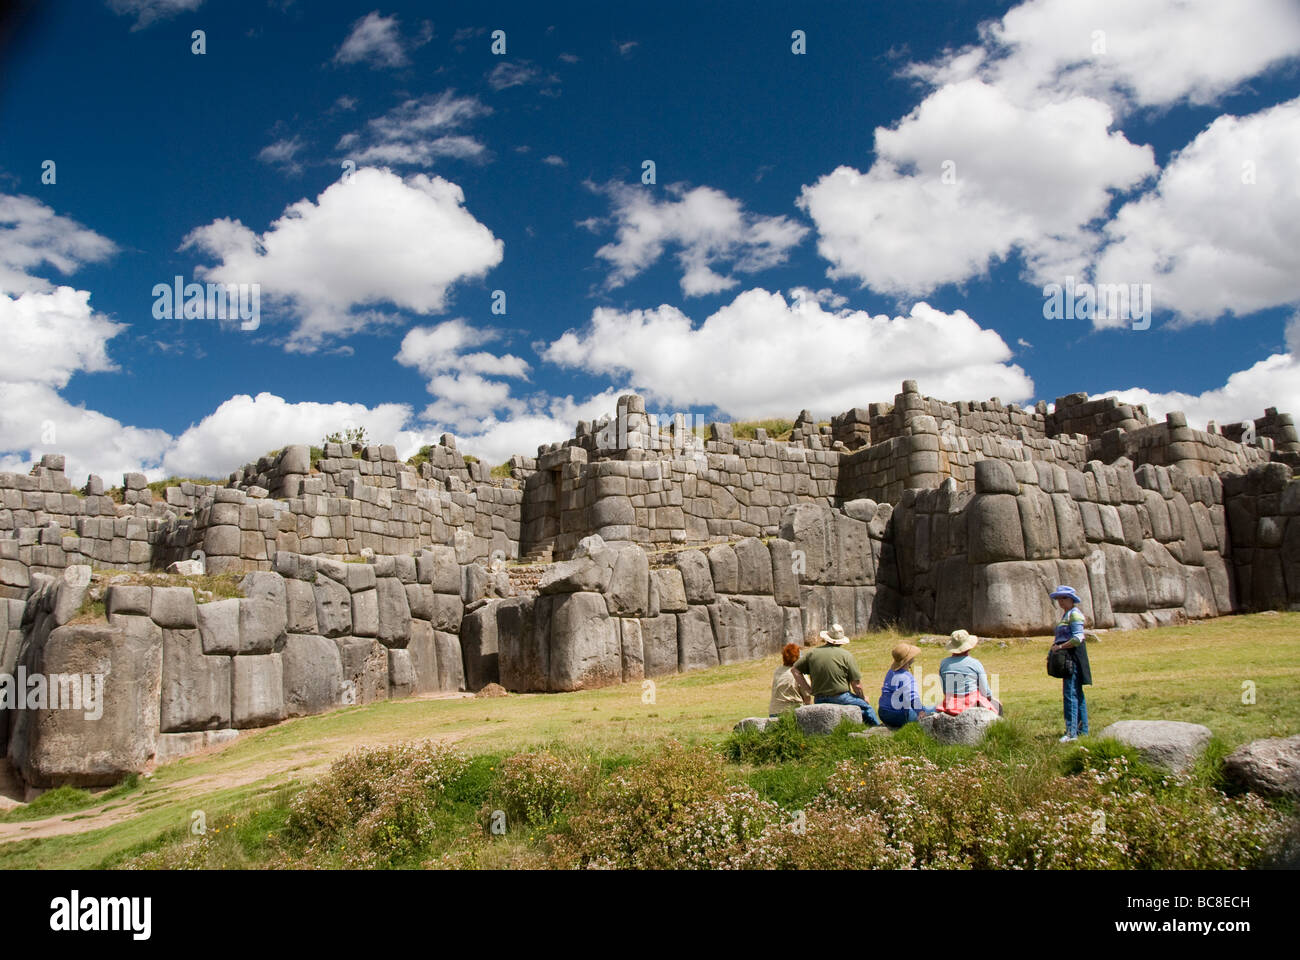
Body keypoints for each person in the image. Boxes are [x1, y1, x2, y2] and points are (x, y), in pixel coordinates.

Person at [792, 623, 881, 725]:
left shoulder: (813, 653)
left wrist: (808, 689)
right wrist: (863, 698)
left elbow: (795, 670)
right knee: (867, 708)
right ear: (841, 641)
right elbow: (857, 685)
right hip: (841, 696)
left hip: (819, 698)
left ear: (827, 638)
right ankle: (877, 730)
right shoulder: (846, 656)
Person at [1049, 585, 1092, 742]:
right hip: (1067, 657)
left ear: (1071, 599)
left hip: (1071, 658)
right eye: (1059, 598)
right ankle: (1082, 731)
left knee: (1071, 694)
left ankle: (1071, 733)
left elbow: (1077, 638)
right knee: (1076, 694)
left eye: (1064, 598)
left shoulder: (1074, 615)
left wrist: (1060, 647)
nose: (1061, 601)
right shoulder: (1066, 615)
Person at [938, 629, 1002, 715]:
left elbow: (945, 690)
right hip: (971, 703)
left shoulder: (944, 664)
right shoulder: (975, 663)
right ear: (968, 647)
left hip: (950, 705)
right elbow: (985, 691)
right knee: (998, 706)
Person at [878, 643, 936, 727]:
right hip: (898, 716)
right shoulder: (907, 677)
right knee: (935, 709)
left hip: (883, 712)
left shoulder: (891, 672)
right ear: (908, 660)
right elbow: (912, 697)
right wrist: (920, 711)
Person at [769, 642, 811, 716]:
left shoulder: (777, 671)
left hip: (774, 711)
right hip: (792, 712)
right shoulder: (798, 673)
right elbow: (807, 695)